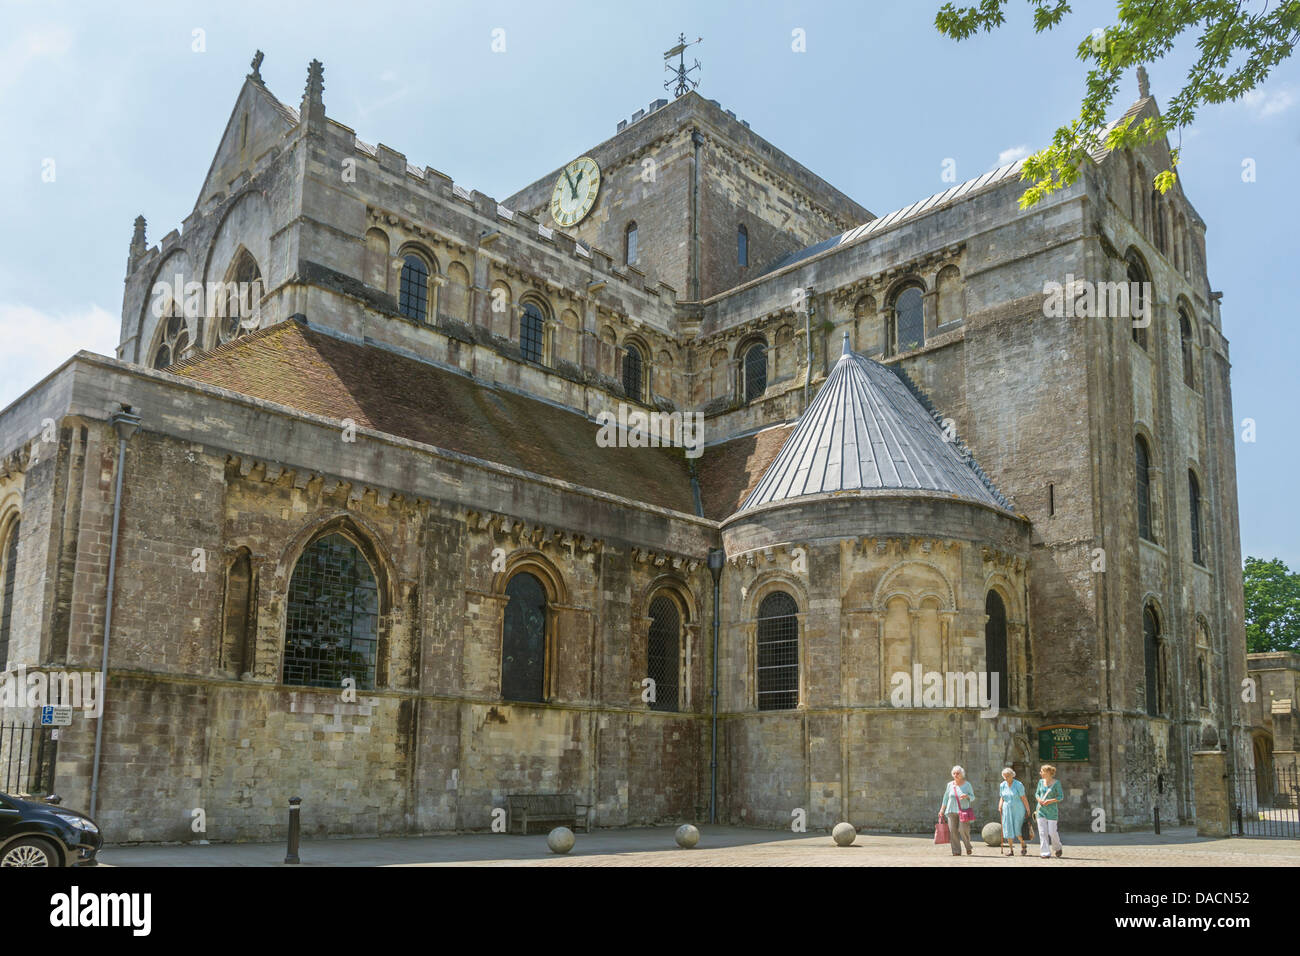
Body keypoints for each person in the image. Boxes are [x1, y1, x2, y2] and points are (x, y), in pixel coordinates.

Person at [937, 765, 975, 857]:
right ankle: (956, 851)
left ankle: (968, 846)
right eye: (954, 773)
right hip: (951, 811)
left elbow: (973, 797)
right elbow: (946, 798)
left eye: (958, 773)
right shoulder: (950, 785)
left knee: (963, 830)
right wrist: (942, 809)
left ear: (962, 774)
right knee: (953, 831)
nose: (955, 775)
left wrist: (967, 796)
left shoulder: (967, 785)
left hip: (964, 811)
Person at [997, 767, 1030, 856]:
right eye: (1004, 776)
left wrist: (1027, 809)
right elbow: (1002, 797)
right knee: (1008, 828)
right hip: (1006, 808)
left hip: (1018, 808)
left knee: (1017, 829)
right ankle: (1011, 850)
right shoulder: (1002, 785)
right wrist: (1000, 805)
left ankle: (1023, 844)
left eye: (1008, 776)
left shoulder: (1019, 784)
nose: (1006, 778)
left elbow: (1023, 797)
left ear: (1012, 775)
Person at [1035, 764, 1064, 858]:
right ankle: (1045, 852)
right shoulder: (1040, 782)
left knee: (1052, 832)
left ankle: (1057, 847)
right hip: (1040, 810)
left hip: (1052, 811)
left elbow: (1060, 797)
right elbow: (1037, 793)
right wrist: (1039, 799)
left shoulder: (1057, 783)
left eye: (1042, 771)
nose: (1040, 773)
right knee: (1042, 832)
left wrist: (1050, 801)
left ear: (1048, 772)